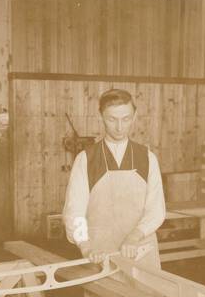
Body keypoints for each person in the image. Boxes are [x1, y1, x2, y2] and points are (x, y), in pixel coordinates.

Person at [61, 88, 167, 268]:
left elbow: (156, 210)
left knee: (145, 296)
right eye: (112, 119)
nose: (119, 127)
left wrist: (134, 236)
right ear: (100, 117)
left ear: (134, 117)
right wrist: (86, 247)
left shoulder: (147, 158)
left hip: (141, 250)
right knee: (105, 295)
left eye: (126, 119)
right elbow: (74, 211)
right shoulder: (86, 159)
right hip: (99, 253)